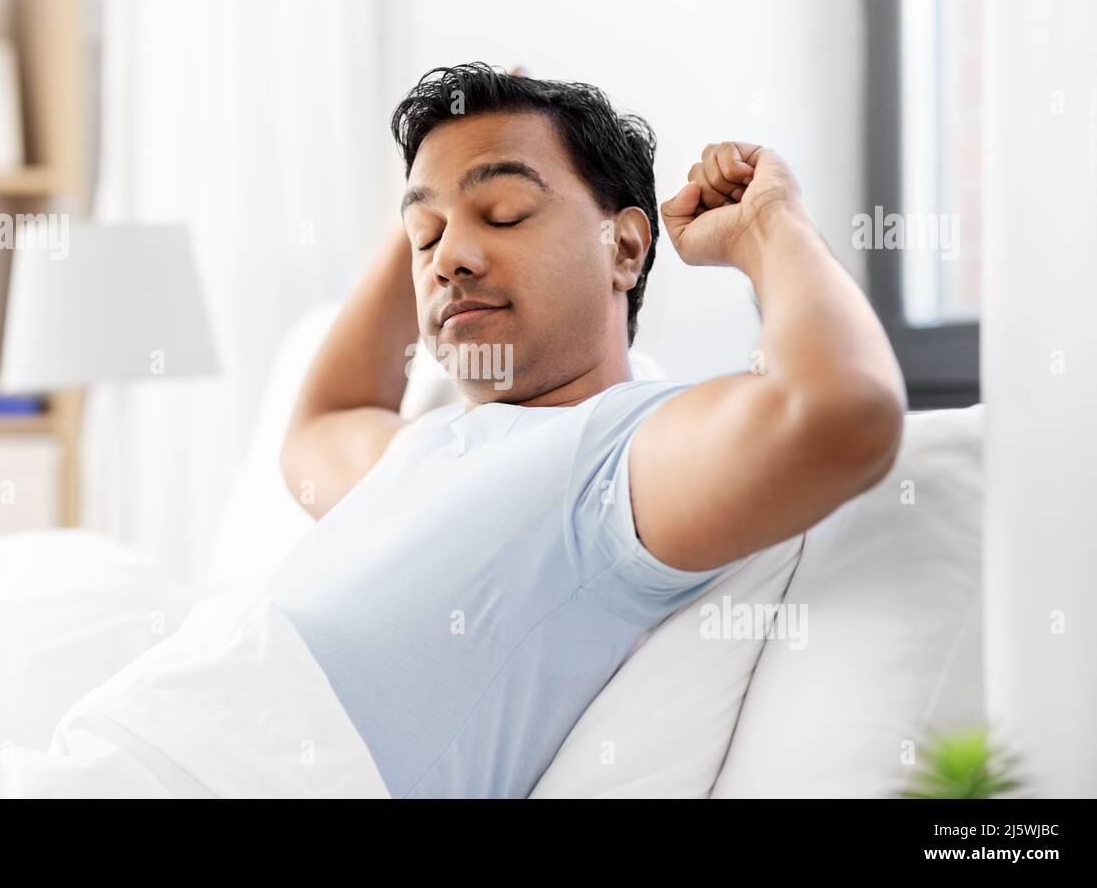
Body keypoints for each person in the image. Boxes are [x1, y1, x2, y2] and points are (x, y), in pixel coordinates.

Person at [265, 62, 905, 798]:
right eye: (426, 238)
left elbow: (837, 412)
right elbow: (322, 421)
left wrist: (771, 223)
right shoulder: (423, 449)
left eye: (503, 212)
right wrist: (421, 199)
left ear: (624, 248)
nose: (448, 261)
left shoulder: (610, 453)